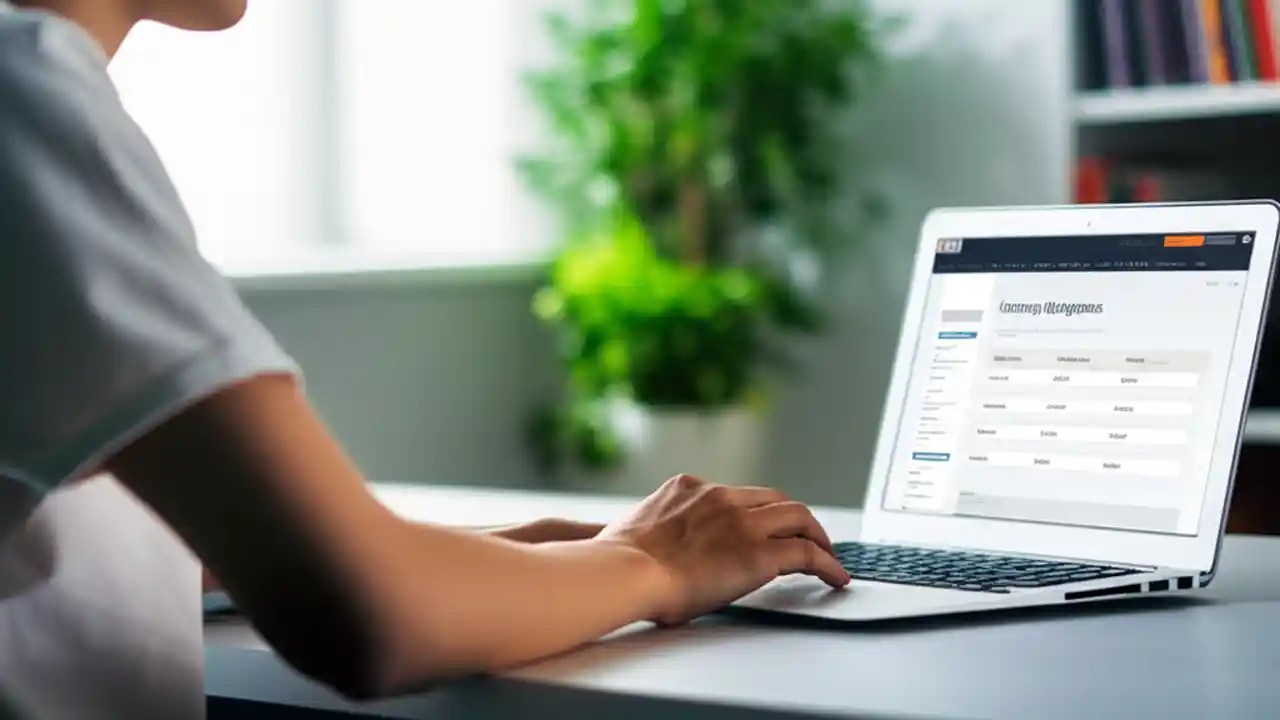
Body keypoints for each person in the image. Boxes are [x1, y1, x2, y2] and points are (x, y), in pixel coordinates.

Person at [0, 0, 849, 716]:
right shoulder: (25, 96)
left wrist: (520, 557)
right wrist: (656, 563)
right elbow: (371, 617)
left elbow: (96, 549)